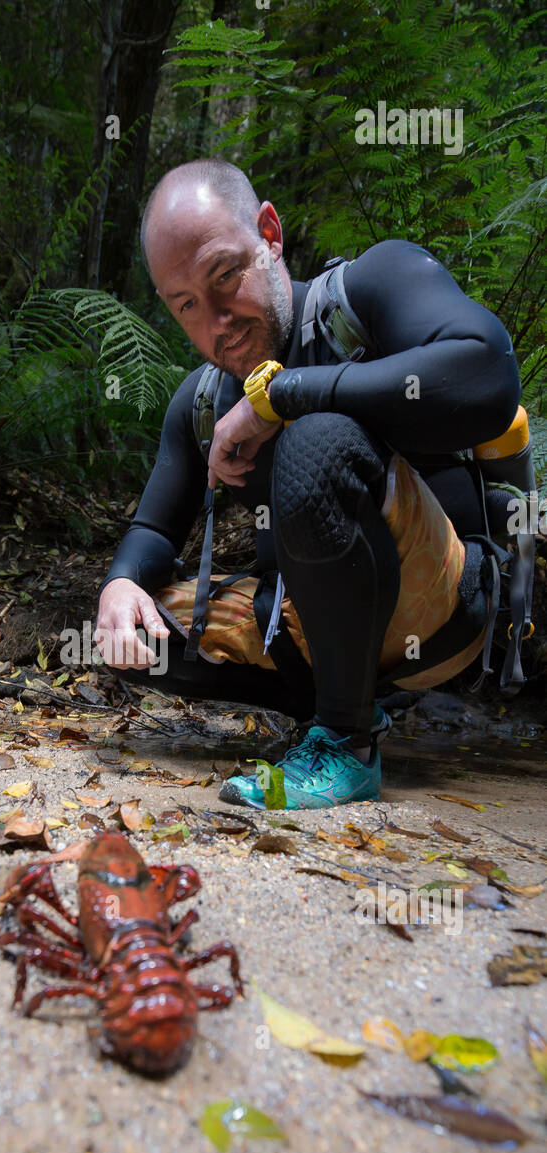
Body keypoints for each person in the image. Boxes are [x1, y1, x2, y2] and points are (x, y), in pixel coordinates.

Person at [92, 159, 521, 809]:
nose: (217, 320)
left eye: (225, 274)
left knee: (314, 439)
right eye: (187, 305)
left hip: (442, 609)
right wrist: (120, 583)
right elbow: (155, 528)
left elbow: (487, 370)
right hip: (308, 631)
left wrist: (281, 396)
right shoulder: (202, 403)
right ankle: (338, 705)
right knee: (134, 628)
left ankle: (346, 744)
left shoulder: (374, 287)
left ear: (269, 232)